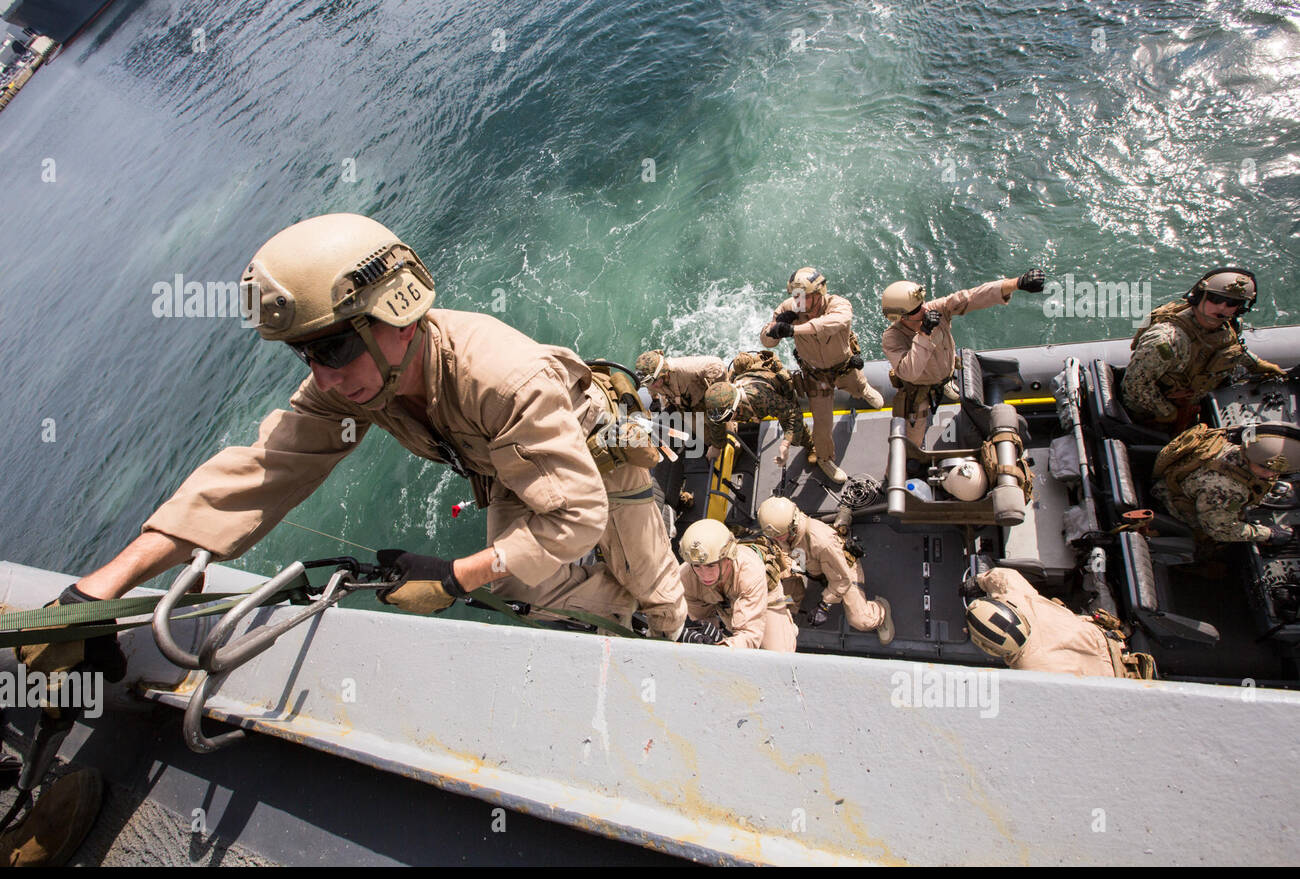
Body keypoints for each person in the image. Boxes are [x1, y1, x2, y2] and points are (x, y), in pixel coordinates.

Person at [29, 213, 688, 641]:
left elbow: (576, 513)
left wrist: (455, 577)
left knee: (651, 580)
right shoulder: (362, 379)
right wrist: (101, 587)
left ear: (398, 317)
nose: (322, 377)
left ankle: (676, 633)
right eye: (306, 355)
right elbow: (262, 471)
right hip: (510, 469)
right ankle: (620, 619)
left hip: (597, 464)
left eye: (333, 348)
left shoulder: (505, 379)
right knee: (519, 579)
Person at [880, 270, 1045, 450]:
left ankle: (945, 385)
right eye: (917, 309)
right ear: (902, 317)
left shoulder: (937, 310)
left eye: (923, 303)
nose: (925, 309)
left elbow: (970, 298)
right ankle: (913, 457)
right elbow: (909, 372)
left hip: (944, 375)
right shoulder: (892, 338)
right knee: (913, 437)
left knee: (948, 387)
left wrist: (1017, 283)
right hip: (919, 390)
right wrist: (924, 334)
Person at [760, 268, 884, 483]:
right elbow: (767, 342)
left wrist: (793, 330)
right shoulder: (789, 308)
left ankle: (863, 390)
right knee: (822, 424)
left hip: (843, 365)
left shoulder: (838, 304)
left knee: (857, 385)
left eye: (805, 297)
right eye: (796, 296)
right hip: (815, 375)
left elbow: (832, 323)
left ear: (819, 293)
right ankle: (825, 458)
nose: (799, 302)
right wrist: (775, 327)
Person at [1123, 268, 1285, 433]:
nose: (1222, 307)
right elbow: (1134, 385)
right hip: (1154, 412)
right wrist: (1168, 413)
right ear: (1200, 296)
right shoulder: (1167, 340)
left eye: (1231, 303)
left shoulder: (1225, 326)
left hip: (1191, 399)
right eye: (1215, 299)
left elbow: (1229, 348)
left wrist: (1256, 364)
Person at [966, 567, 1156, 679]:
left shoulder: (1029, 673)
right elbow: (1004, 576)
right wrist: (978, 581)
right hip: (1118, 641)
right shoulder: (1020, 599)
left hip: (1123, 678)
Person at [756, 496, 894, 643]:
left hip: (842, 569)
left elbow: (842, 579)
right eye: (773, 536)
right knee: (781, 591)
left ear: (792, 526)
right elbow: (786, 552)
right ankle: (788, 612)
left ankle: (881, 611)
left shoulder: (822, 542)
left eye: (779, 536)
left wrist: (824, 606)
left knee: (861, 620)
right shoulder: (782, 533)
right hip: (808, 561)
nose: (776, 539)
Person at [1150, 421, 1300, 547]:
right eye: (1271, 470)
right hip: (1177, 511)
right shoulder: (1228, 490)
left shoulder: (1231, 444)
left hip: (1183, 488)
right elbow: (1220, 530)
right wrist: (1269, 534)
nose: (1273, 475)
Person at [676, 519, 798, 651]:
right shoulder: (685, 577)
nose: (704, 575)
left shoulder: (750, 571)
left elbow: (749, 633)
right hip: (727, 605)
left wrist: (724, 647)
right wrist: (704, 639)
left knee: (778, 654)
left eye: (711, 566)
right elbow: (702, 619)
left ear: (728, 558)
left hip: (767, 599)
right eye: (697, 566)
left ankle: (786, 629)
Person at [702, 352, 812, 468]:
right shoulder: (719, 405)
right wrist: (717, 446)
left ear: (737, 405)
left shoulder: (763, 399)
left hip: (774, 391)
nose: (726, 421)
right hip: (750, 395)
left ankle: (811, 446)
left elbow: (793, 414)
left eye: (728, 417)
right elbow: (716, 423)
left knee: (795, 425)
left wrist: (785, 444)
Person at [633, 350, 727, 417]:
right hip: (682, 408)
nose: (651, 386)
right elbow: (650, 386)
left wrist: (718, 396)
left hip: (703, 404)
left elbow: (718, 365)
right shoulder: (652, 381)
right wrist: (655, 399)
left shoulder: (687, 369)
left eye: (650, 382)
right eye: (646, 383)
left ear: (662, 373)